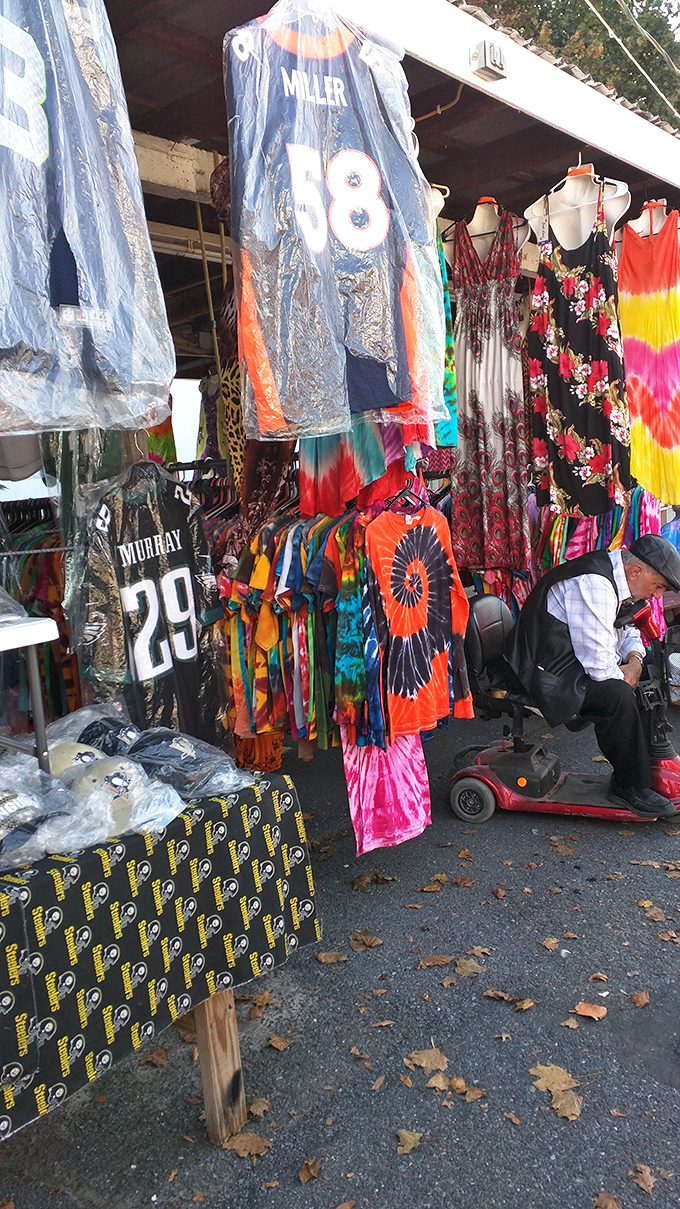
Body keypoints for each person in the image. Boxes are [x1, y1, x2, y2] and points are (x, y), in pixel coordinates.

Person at [505, 534, 680, 817]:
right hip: (545, 676)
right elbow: (601, 670)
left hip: (568, 662)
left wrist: (635, 661)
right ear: (636, 571)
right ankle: (629, 784)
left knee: (647, 667)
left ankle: (651, 759)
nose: (658, 595)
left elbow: (627, 631)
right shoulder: (594, 585)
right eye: (658, 586)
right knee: (617, 695)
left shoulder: (619, 577)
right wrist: (629, 672)